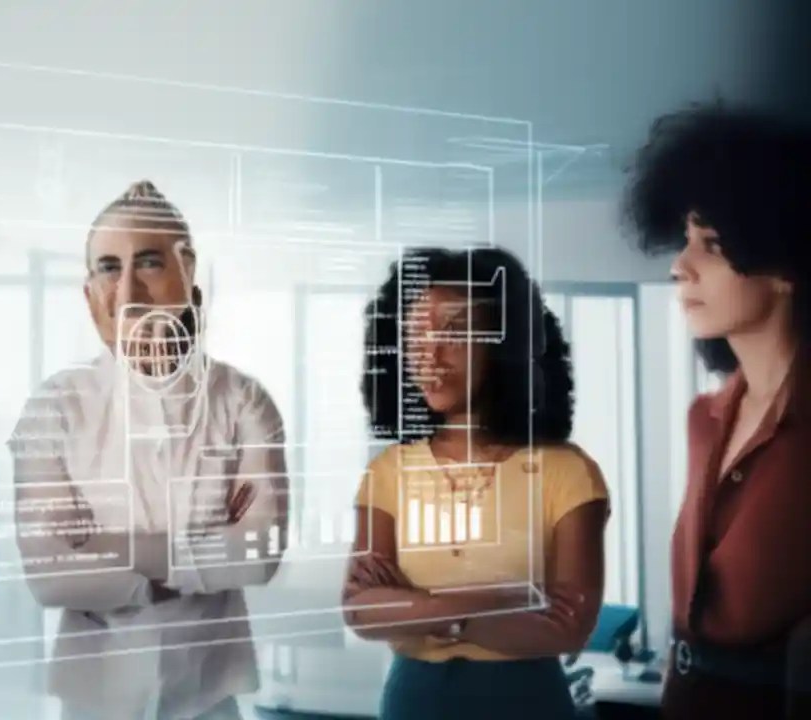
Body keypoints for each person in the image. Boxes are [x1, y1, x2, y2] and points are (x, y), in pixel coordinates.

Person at [9, 180, 289, 720]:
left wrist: (109, 548)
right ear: (90, 297)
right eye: (109, 267)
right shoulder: (53, 409)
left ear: (189, 278)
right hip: (96, 699)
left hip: (210, 695)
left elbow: (258, 556)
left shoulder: (244, 402)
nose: (130, 288)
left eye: (151, 262)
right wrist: (196, 557)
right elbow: (51, 576)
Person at [342, 246, 609, 720]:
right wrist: (508, 599)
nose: (431, 355)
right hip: (414, 700)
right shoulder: (388, 472)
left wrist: (421, 608)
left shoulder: (567, 472)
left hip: (525, 702)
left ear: (503, 343)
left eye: (453, 333)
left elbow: (568, 629)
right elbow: (361, 611)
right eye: (416, 337)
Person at [622, 103, 811, 719]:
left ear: (782, 262)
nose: (680, 265)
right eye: (682, 240)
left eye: (710, 243)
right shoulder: (704, 417)